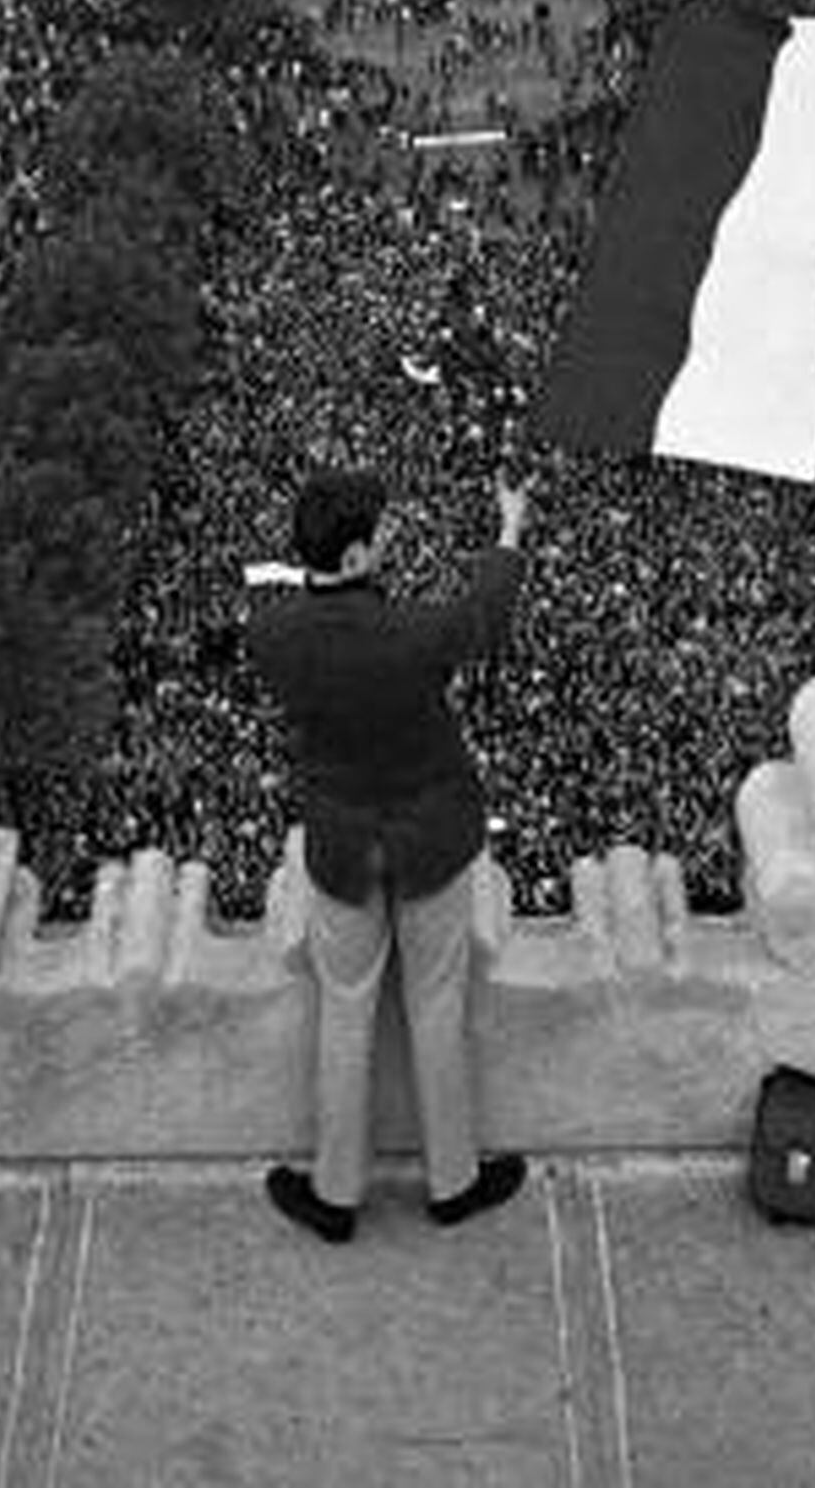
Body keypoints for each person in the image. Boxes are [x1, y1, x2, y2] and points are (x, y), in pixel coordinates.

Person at [246, 459, 533, 1242]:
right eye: (380, 534)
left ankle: (336, 1194)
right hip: (429, 840)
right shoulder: (414, 632)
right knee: (436, 1007)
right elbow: (485, 615)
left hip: (342, 846)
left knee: (345, 1015)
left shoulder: (271, 635)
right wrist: (509, 527)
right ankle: (454, 1183)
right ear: (353, 554)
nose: (390, 537)